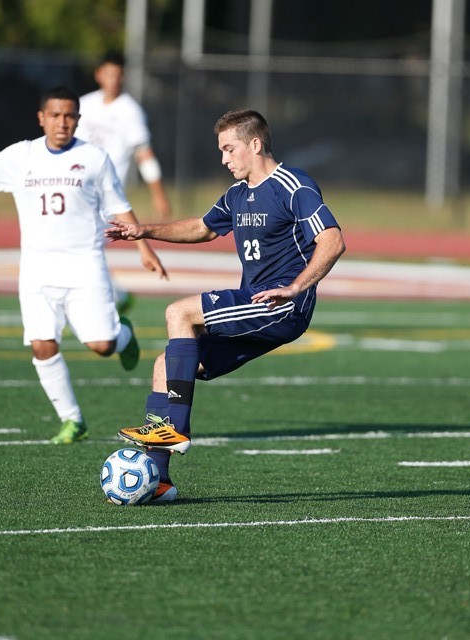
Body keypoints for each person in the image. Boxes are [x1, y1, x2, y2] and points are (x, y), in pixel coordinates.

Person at [105, 109, 346, 503]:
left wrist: (296, 287)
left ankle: (175, 427)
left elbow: (332, 240)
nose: (223, 158)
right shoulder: (237, 194)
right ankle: (160, 479)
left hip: (281, 306)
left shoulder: (293, 185)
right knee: (165, 366)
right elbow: (202, 227)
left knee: (178, 313)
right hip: (256, 304)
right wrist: (144, 230)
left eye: (229, 148)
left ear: (255, 144)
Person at [0, 86, 168, 451]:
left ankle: (125, 337)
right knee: (42, 344)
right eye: (55, 115)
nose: (62, 122)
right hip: (37, 269)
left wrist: (143, 247)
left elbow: (119, 206)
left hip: (85, 265)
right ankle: (72, 419)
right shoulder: (20, 156)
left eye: (69, 116)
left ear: (78, 120)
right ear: (42, 118)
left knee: (100, 345)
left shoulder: (94, 158)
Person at [76, 51, 171, 219]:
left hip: (109, 193)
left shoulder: (130, 110)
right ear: (98, 74)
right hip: (79, 185)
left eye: (118, 75)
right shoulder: (84, 104)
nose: (113, 80)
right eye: (109, 74)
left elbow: (144, 154)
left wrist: (158, 195)